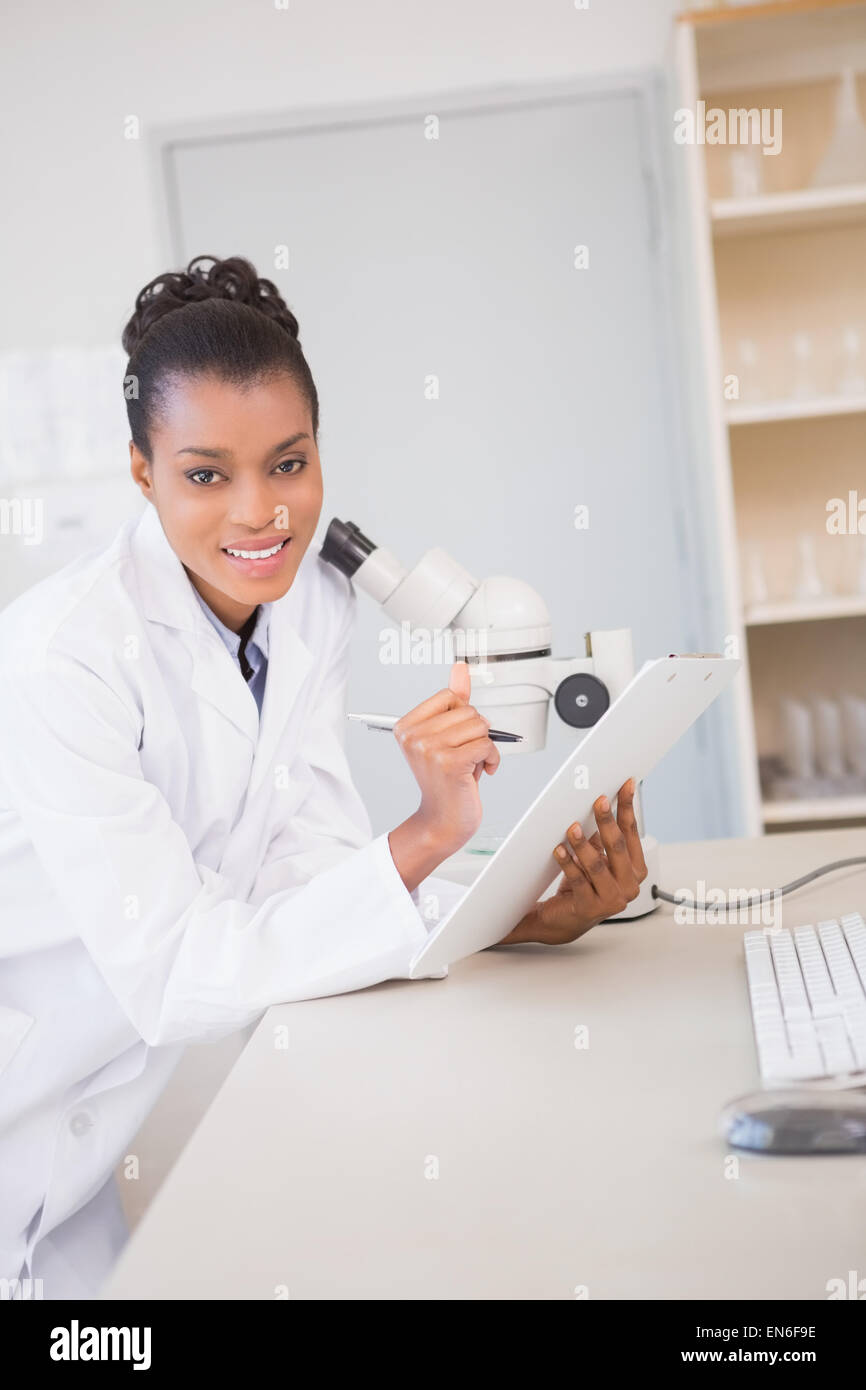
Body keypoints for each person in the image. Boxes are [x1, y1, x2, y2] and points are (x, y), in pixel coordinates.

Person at [0, 255, 647, 1299]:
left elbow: (309, 872)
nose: (263, 516)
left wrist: (526, 910)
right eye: (207, 474)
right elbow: (177, 973)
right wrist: (429, 837)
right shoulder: (62, 656)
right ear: (141, 470)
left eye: (289, 463)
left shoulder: (309, 606)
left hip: (91, 1142)